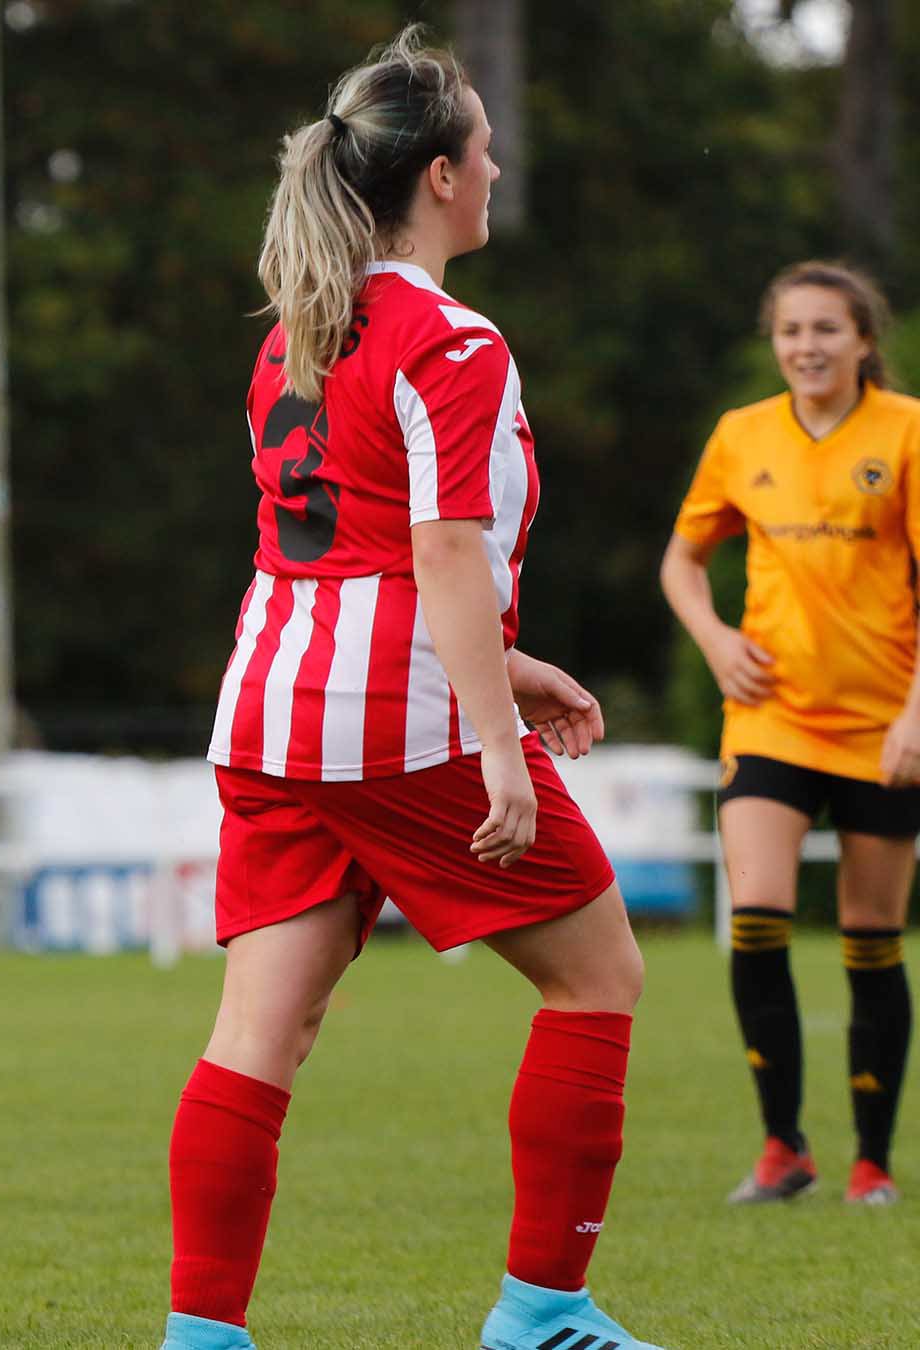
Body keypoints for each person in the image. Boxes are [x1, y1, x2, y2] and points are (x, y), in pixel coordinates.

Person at [165, 28, 658, 1350]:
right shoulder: (451, 338)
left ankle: (200, 1336)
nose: (496, 167)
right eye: (485, 148)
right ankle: (543, 1313)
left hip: (270, 704)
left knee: (262, 1027)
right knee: (600, 974)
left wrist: (509, 660)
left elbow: (353, 540)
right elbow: (438, 553)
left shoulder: (298, 332)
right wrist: (501, 745)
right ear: (439, 176)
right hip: (399, 716)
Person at [661, 260, 917, 1207]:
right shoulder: (742, 436)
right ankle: (783, 1149)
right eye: (790, 331)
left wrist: (916, 716)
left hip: (883, 725)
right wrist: (717, 639)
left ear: (863, 340)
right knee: (759, 914)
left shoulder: (909, 430)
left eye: (826, 330)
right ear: (774, 341)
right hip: (769, 716)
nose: (806, 347)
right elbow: (683, 561)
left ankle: (872, 1164)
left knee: (870, 937)